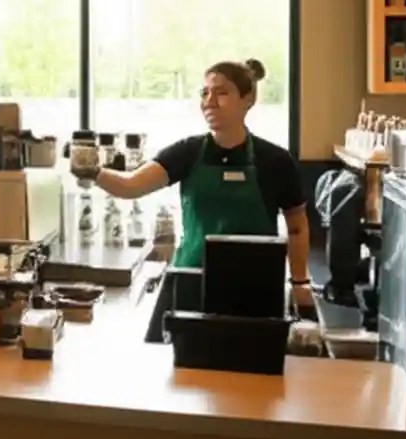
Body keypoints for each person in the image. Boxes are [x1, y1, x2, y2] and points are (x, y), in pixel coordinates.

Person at [73, 59, 311, 343]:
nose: (210, 101)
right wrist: (93, 171)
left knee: (250, 373)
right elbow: (131, 186)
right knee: (181, 375)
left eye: (221, 93)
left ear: (248, 98)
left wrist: (299, 282)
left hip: (255, 287)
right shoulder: (188, 152)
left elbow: (297, 226)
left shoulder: (275, 161)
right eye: (204, 93)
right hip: (190, 281)